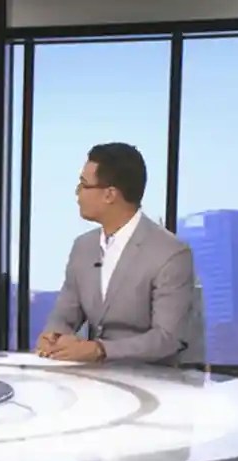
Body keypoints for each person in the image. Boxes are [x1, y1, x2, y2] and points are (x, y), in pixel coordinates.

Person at [37, 143, 196, 365]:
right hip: (93, 378)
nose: (77, 192)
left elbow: (167, 338)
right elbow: (65, 314)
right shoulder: (83, 247)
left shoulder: (170, 253)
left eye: (84, 185)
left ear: (110, 194)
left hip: (152, 378)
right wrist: (53, 336)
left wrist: (100, 350)